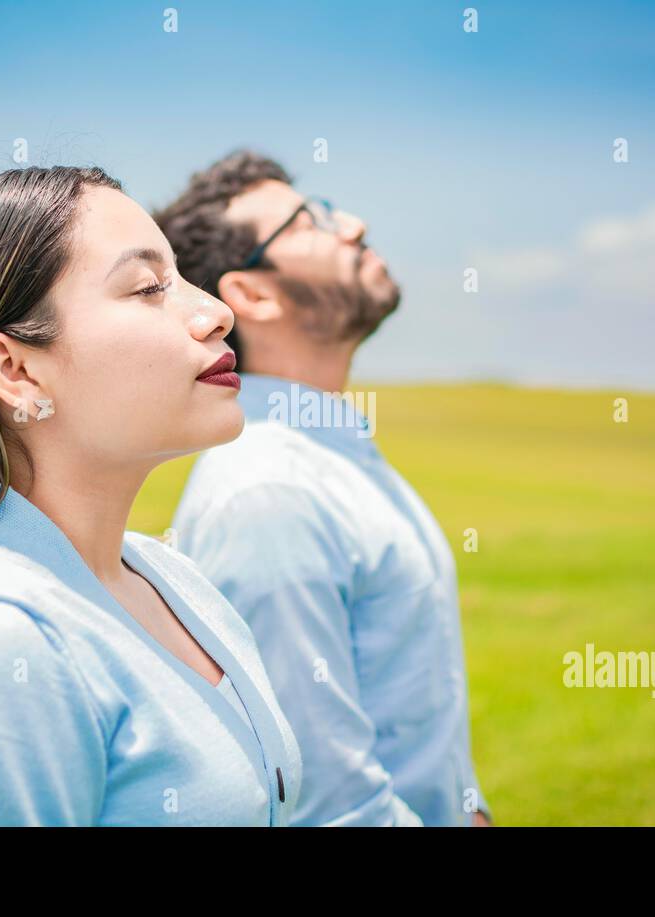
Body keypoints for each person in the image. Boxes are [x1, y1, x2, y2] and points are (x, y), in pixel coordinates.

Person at [0, 165, 301, 826]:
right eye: (148, 287)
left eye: (179, 277)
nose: (215, 311)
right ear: (16, 370)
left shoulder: (175, 579)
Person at [157, 151, 491, 826]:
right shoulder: (268, 488)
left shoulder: (324, 455)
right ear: (251, 295)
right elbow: (326, 807)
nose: (355, 226)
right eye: (311, 222)